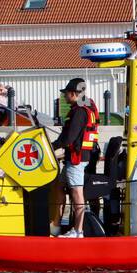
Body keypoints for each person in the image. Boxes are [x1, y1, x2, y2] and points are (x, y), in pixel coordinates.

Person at [48, 78, 99, 237]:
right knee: (59, 186)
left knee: (77, 194)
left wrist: (51, 147)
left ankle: (78, 231)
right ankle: (55, 225)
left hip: (76, 160)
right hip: (76, 157)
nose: (64, 97)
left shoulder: (78, 112)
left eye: (65, 94)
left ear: (73, 94)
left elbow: (68, 138)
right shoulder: (87, 107)